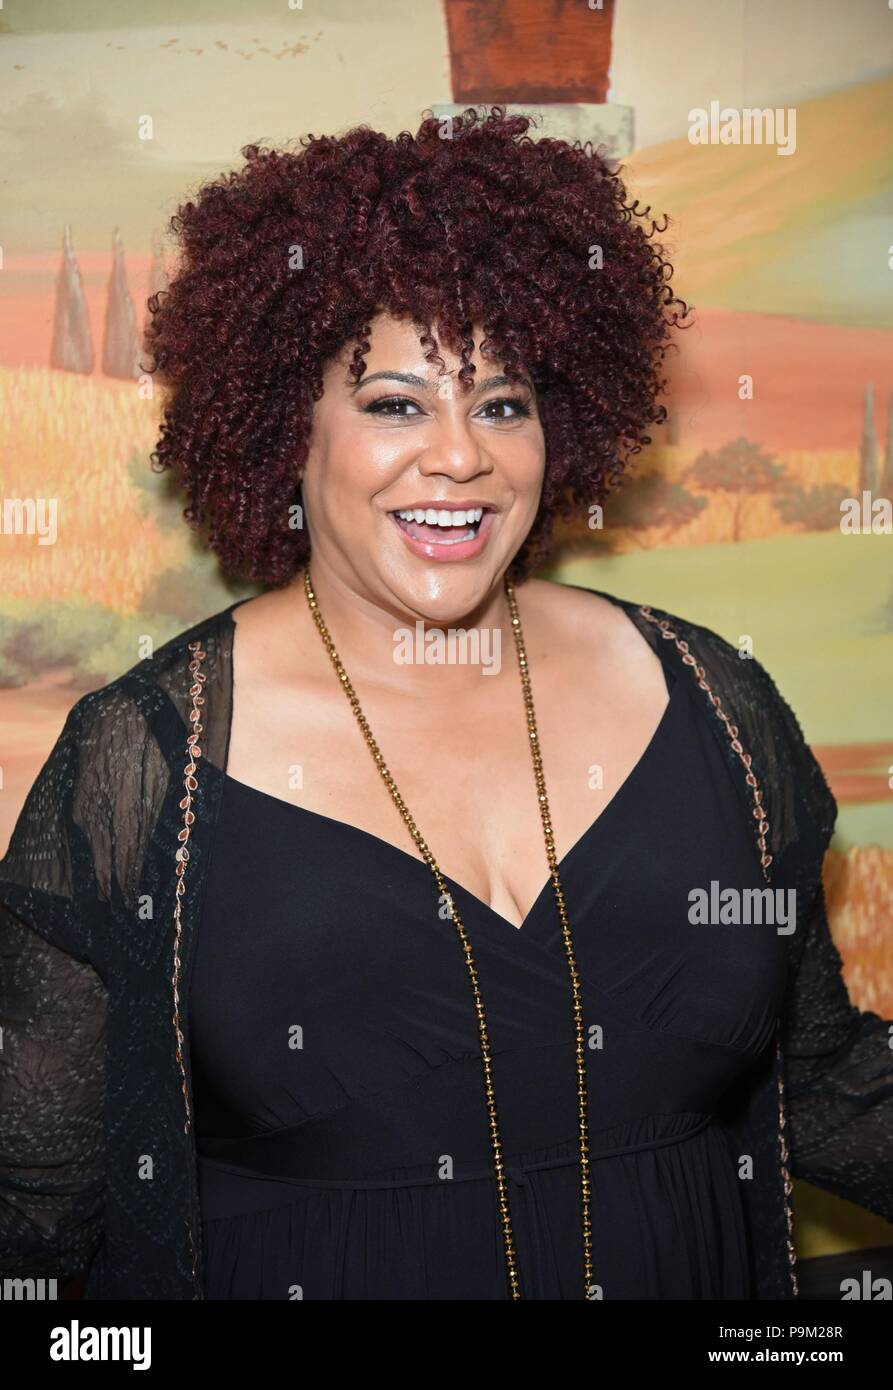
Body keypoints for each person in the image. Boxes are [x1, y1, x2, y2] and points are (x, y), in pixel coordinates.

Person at [1, 107, 890, 1301]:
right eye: (394, 403)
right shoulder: (142, 761)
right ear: (286, 429)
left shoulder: (713, 705)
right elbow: (36, 1205)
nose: (462, 457)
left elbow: (825, 1081)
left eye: (503, 403)